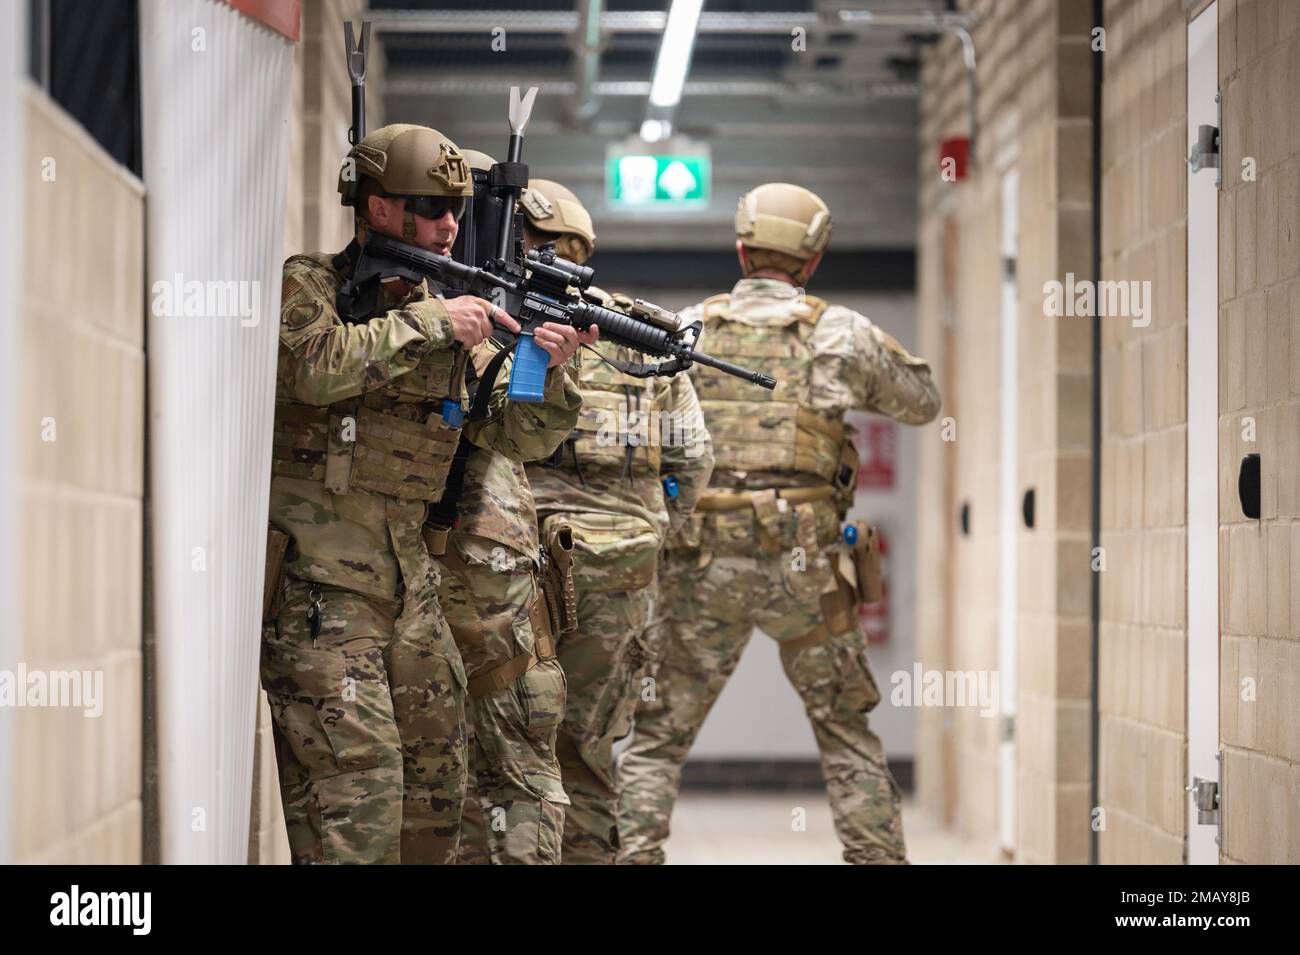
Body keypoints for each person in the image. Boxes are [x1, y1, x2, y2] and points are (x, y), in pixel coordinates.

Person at [262, 124, 586, 864]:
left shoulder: (454, 312)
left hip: (413, 601)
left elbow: (516, 431)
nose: (449, 228)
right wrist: (430, 320)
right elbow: (312, 366)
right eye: (431, 208)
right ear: (379, 211)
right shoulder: (313, 283)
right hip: (322, 599)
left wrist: (547, 366)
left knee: (437, 814)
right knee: (358, 815)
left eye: (455, 211)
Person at [616, 182, 941, 865]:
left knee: (654, 739)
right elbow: (921, 401)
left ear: (741, 249)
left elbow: (634, 422)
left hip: (701, 561)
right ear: (814, 260)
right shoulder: (839, 333)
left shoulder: (688, 328)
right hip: (808, 566)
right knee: (846, 732)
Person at [519, 179, 714, 864]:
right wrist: (650, 526)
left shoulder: (499, 322)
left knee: (507, 754)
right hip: (620, 581)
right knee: (589, 755)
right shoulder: (644, 337)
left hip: (519, 573)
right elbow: (693, 464)